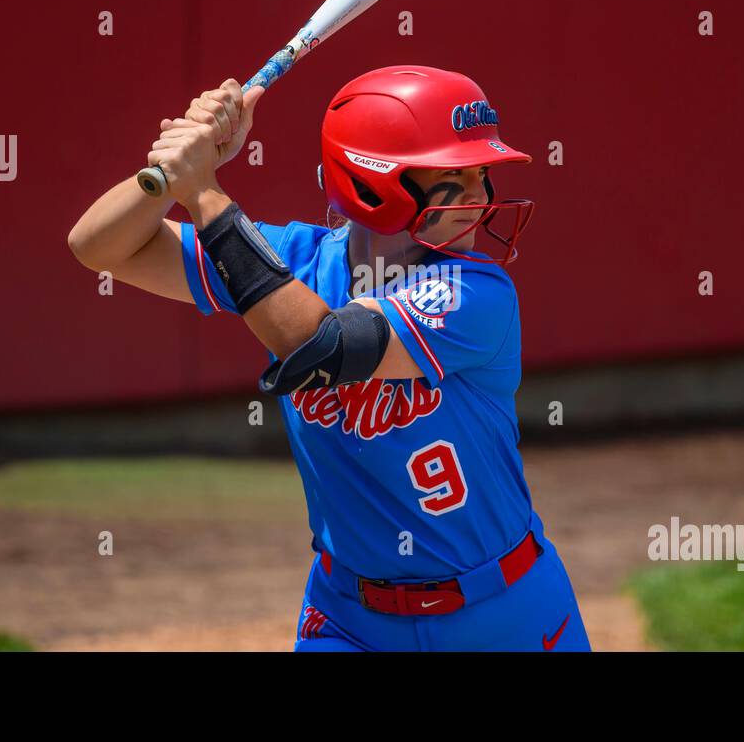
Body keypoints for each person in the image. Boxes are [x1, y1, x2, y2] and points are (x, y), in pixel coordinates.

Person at [68, 65, 590, 651]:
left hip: (505, 615)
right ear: (372, 183)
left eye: (481, 174)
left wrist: (206, 193)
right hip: (350, 621)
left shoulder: (478, 293)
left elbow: (320, 343)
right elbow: (97, 246)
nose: (481, 196)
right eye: (453, 174)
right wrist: (171, 173)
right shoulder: (294, 260)